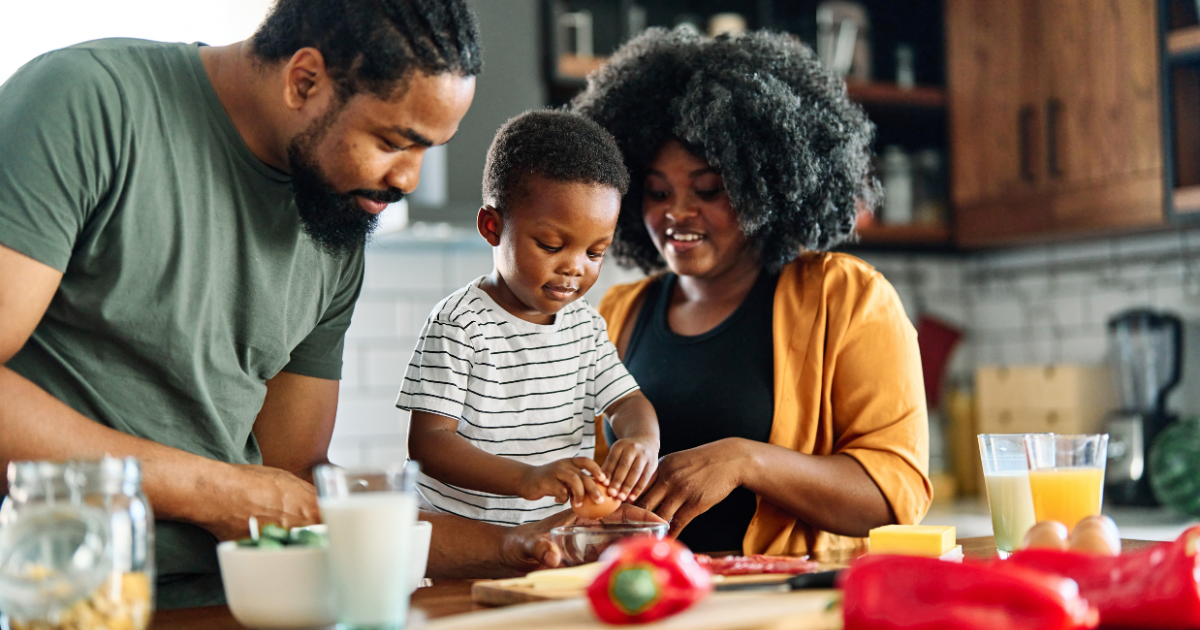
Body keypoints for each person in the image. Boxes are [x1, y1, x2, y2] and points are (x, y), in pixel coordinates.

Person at [0, 0, 479, 608]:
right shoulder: (85, 102)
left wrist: (528, 543)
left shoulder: (334, 220)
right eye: (392, 141)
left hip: (239, 604)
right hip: (58, 598)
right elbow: (242, 494)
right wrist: (212, 491)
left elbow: (292, 480)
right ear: (304, 80)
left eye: (428, 150)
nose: (408, 178)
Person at [572, 28, 931, 555]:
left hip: (780, 604)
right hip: (644, 599)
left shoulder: (845, 296)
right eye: (656, 192)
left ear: (765, 183)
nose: (677, 214)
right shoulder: (618, 312)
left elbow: (894, 493)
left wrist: (746, 460)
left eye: (709, 189)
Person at [401, 110, 661, 526]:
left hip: (555, 537)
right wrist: (527, 479)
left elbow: (626, 401)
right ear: (492, 226)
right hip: (468, 544)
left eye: (595, 252)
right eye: (551, 244)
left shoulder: (584, 327)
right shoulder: (460, 325)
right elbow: (430, 445)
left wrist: (642, 440)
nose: (576, 268)